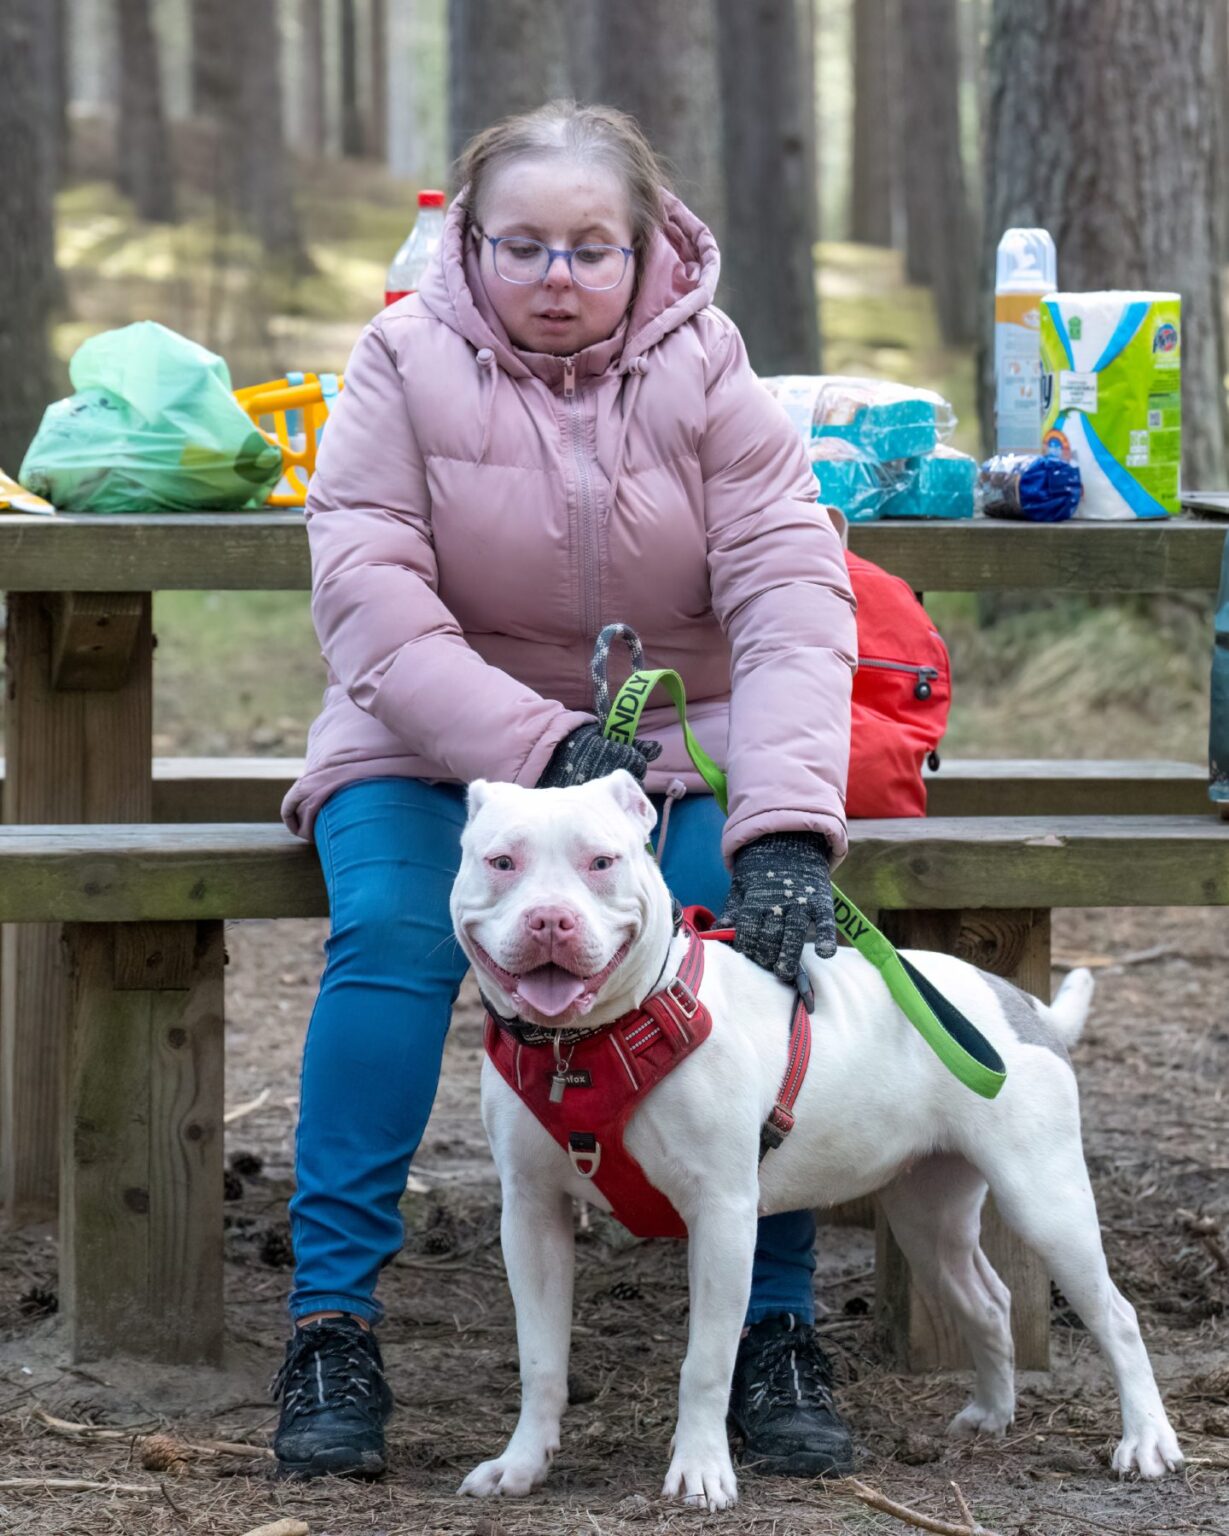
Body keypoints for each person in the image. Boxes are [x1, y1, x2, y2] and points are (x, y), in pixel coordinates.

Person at [272, 100, 858, 1483]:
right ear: (466, 246)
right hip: (427, 746)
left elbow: (788, 595)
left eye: (588, 248)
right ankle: (329, 1324)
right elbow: (367, 600)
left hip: (667, 750)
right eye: (521, 245)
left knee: (743, 949)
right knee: (398, 942)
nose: (554, 276)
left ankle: (775, 1321)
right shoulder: (398, 360)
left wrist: (781, 824)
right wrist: (534, 746)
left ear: (645, 248)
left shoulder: (711, 369)